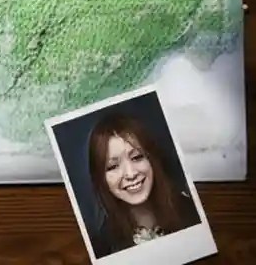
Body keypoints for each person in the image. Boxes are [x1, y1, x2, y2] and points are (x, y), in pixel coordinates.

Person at [85, 110, 201, 257]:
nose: (131, 174)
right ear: (101, 178)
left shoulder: (193, 211)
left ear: (152, 159)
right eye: (113, 166)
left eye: (137, 157)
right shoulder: (102, 247)